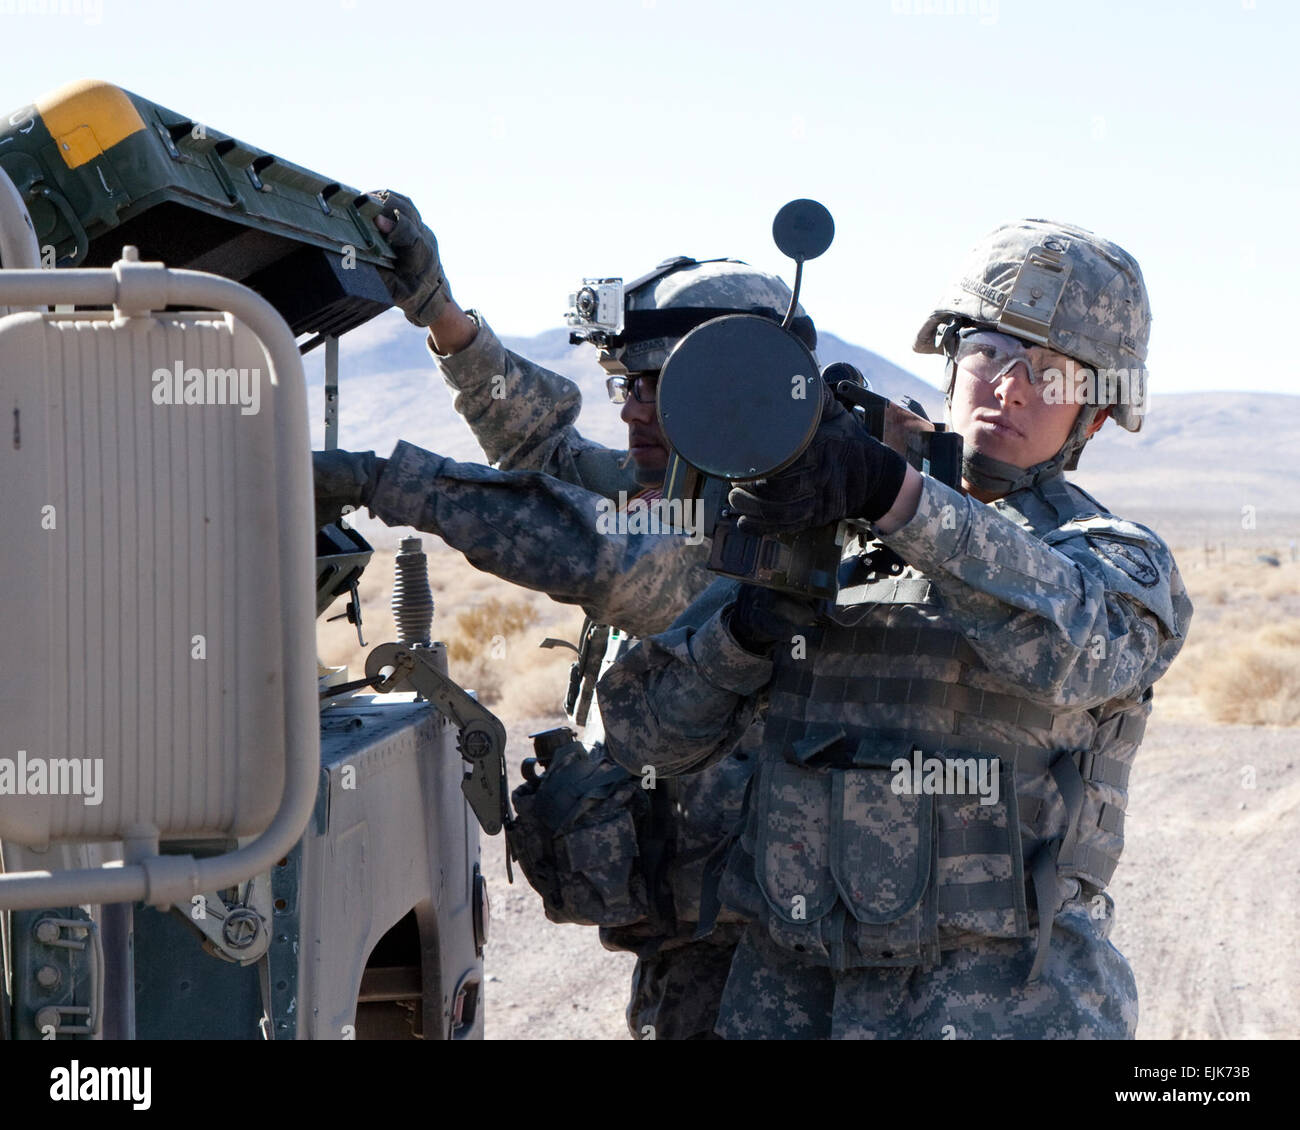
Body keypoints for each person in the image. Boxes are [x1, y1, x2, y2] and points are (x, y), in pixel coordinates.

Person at [595, 219, 1194, 1039]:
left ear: (1094, 410)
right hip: (789, 1001)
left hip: (1005, 1007)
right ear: (951, 360)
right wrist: (745, 628)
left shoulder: (1110, 560)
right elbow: (644, 734)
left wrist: (895, 494)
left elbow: (1079, 650)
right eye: (988, 352)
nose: (1011, 388)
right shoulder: (824, 530)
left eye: (1049, 373)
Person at [313, 192, 817, 1038]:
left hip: (760, 953)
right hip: (691, 928)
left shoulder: (774, 517)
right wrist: (441, 317)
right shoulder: (683, 488)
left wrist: (375, 479)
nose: (629, 410)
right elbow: (545, 459)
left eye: (656, 389)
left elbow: (592, 549)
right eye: (626, 384)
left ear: (739, 388)